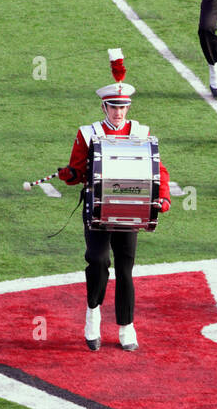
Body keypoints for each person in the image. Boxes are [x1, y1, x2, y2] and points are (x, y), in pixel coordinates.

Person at [58, 49, 171, 352]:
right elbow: (78, 171)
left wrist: (162, 198)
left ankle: (126, 326)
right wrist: (69, 174)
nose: (118, 112)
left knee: (125, 268)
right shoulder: (87, 133)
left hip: (129, 209)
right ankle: (93, 312)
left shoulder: (141, 132)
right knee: (97, 260)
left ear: (128, 106)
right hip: (97, 209)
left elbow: (157, 170)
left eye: (122, 107)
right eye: (113, 107)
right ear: (104, 106)